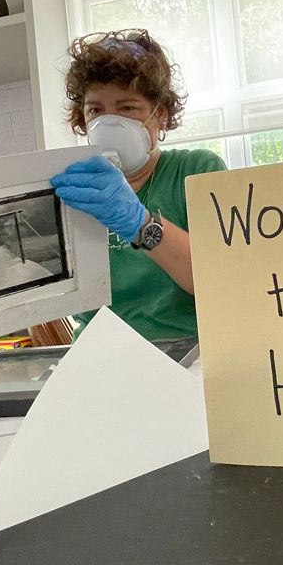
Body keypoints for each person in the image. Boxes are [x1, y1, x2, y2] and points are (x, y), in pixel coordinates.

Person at [50, 29, 226, 341]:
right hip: (98, 353)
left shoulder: (197, 171)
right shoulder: (76, 187)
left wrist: (140, 223)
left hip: (186, 352)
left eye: (127, 108)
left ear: (160, 115)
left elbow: (219, 280)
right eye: (96, 110)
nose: (109, 122)